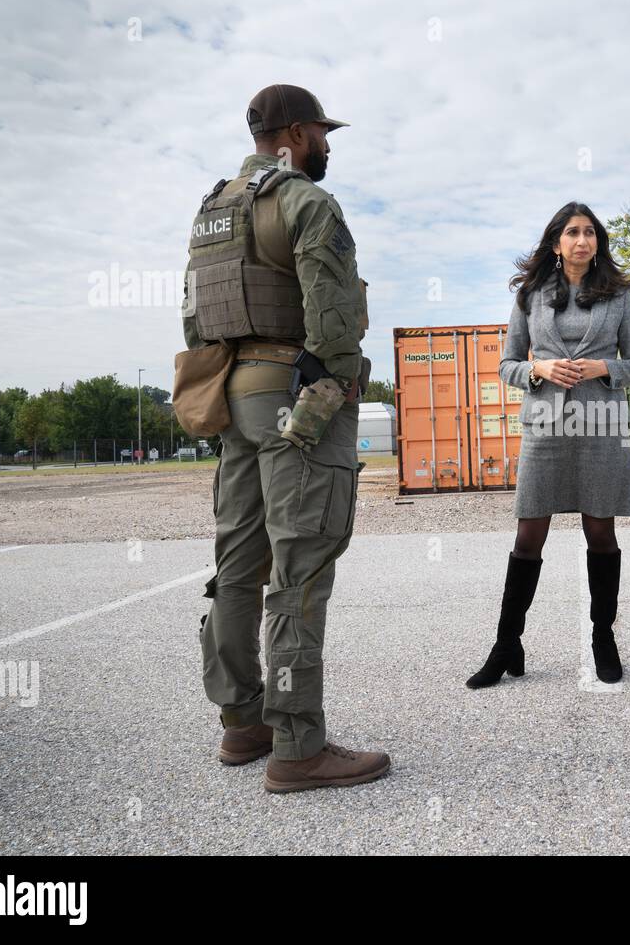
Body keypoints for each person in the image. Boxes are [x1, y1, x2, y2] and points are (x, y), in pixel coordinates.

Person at [182, 83, 389, 793]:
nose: (328, 146)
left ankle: (243, 722)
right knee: (300, 571)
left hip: (231, 395)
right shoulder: (305, 201)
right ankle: (299, 745)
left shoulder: (213, 207)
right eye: (323, 134)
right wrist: (331, 392)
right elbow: (332, 319)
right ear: (297, 134)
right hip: (290, 395)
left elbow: (194, 320)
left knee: (238, 566)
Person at [466, 202, 630, 689]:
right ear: (556, 243)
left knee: (601, 534)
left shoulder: (621, 296)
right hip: (545, 427)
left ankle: (603, 638)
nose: (582, 240)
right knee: (528, 537)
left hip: (601, 425)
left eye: (590, 232)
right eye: (572, 232)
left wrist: (603, 368)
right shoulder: (531, 295)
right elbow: (507, 365)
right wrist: (538, 369)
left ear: (598, 243)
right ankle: (507, 644)